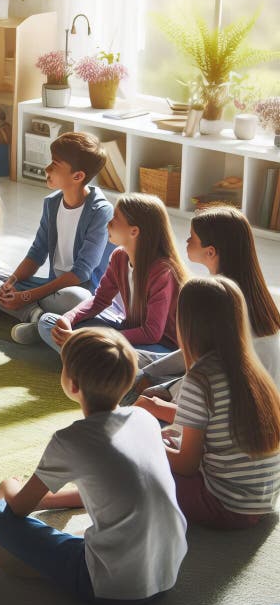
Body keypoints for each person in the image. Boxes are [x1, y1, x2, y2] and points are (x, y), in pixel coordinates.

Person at [0, 328, 187, 605]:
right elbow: (118, 491)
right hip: (167, 573)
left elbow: (17, 507)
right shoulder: (144, 418)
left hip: (109, 585)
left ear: (72, 384)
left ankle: (53, 568)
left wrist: (8, 485)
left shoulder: (70, 440)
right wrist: (46, 500)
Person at [139, 277, 280, 529]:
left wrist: (145, 441)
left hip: (223, 503)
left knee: (136, 454)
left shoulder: (201, 378)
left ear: (188, 325)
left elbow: (186, 463)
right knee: (167, 437)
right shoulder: (251, 368)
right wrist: (157, 408)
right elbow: (216, 422)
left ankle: (60, 499)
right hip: (262, 501)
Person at [0, 132, 113, 343]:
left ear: (78, 176)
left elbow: (81, 273)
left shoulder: (100, 211)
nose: (47, 169)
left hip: (79, 291)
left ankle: (9, 309)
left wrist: (28, 296)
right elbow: (37, 253)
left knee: (76, 299)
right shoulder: (52, 203)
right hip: (51, 288)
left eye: (55, 165)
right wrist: (12, 282)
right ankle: (35, 317)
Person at [135, 205, 280, 391]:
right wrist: (147, 370)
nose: (186, 240)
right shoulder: (250, 289)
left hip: (242, 398)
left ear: (210, 252)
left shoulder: (220, 299)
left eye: (192, 237)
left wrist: (153, 384)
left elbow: (205, 373)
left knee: (128, 380)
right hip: (242, 384)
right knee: (133, 359)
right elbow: (197, 352)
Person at [38, 193, 187, 354]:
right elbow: (99, 301)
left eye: (115, 218)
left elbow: (151, 333)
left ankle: (82, 358)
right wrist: (67, 319)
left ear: (134, 231)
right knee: (49, 322)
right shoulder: (119, 257)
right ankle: (86, 360)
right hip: (126, 334)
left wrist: (98, 338)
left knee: (114, 352)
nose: (108, 223)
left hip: (159, 348)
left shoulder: (162, 272)